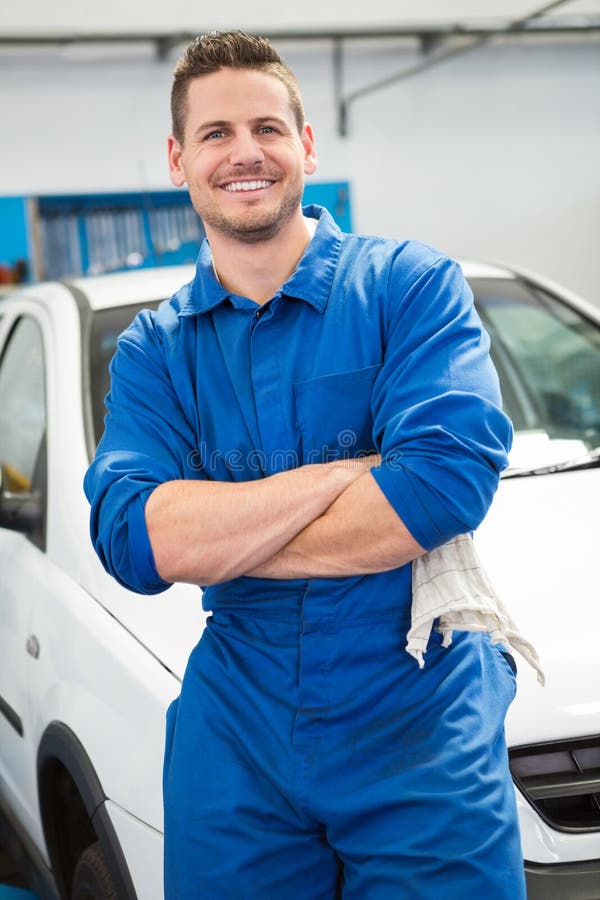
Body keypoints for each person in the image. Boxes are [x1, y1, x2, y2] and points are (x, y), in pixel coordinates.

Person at [84, 30, 524, 900]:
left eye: (267, 128)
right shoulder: (154, 351)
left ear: (306, 146)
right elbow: (135, 543)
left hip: (419, 712)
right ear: (179, 160)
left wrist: (218, 532)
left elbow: (439, 486)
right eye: (215, 134)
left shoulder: (410, 286)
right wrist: (344, 475)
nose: (244, 152)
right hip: (237, 728)